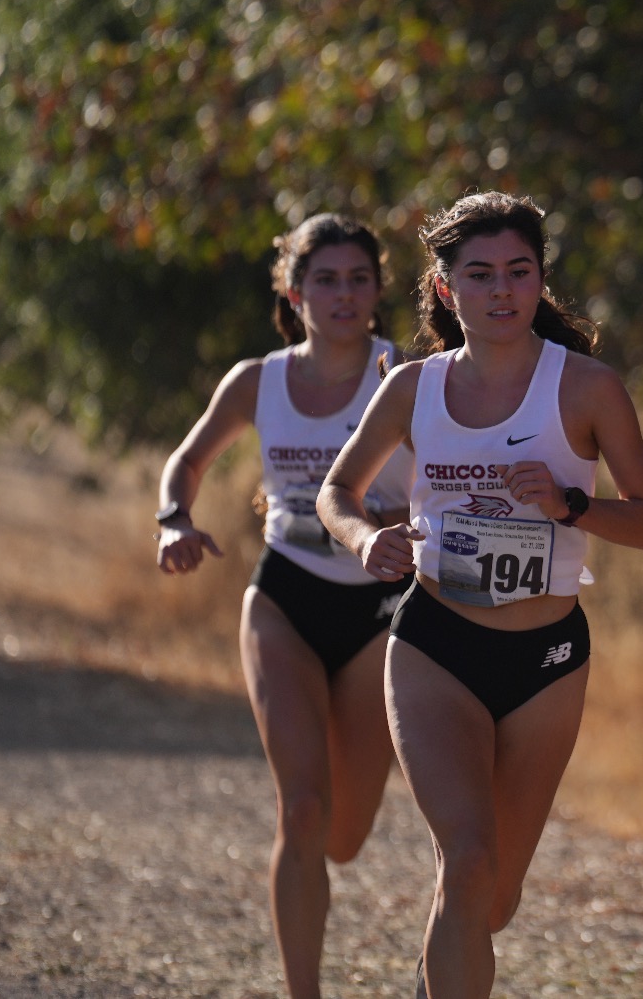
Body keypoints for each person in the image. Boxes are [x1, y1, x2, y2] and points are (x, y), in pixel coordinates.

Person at [317, 192, 643, 999]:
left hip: (547, 660)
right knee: (468, 861)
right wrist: (368, 538)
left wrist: (571, 504)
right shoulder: (412, 387)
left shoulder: (586, 388)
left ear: (542, 281)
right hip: (436, 644)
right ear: (446, 289)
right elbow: (338, 490)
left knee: (493, 896)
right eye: (480, 275)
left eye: (519, 272)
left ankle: (438, 967)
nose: (502, 291)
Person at [153, 213, 412, 999]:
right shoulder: (257, 381)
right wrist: (173, 517)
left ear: (377, 289)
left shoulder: (405, 373)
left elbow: (456, 478)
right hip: (284, 597)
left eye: (358, 279)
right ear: (294, 293)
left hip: (380, 613)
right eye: (325, 280)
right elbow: (189, 458)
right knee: (301, 808)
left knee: (343, 833)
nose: (343, 294)